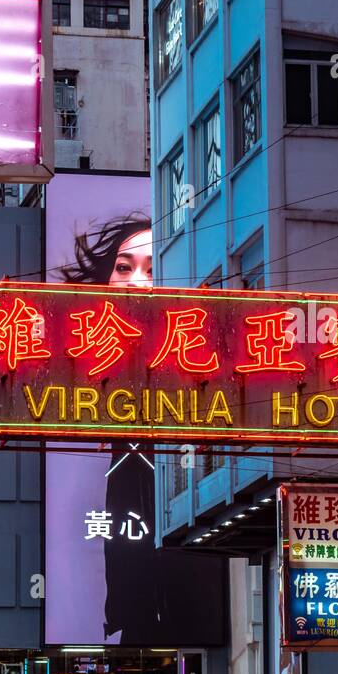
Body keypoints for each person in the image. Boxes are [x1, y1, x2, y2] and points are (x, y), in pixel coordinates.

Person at [55, 217, 225, 647]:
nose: (138, 281)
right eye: (125, 268)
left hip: (206, 588)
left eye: (153, 269)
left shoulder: (202, 360)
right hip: (138, 606)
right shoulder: (94, 367)